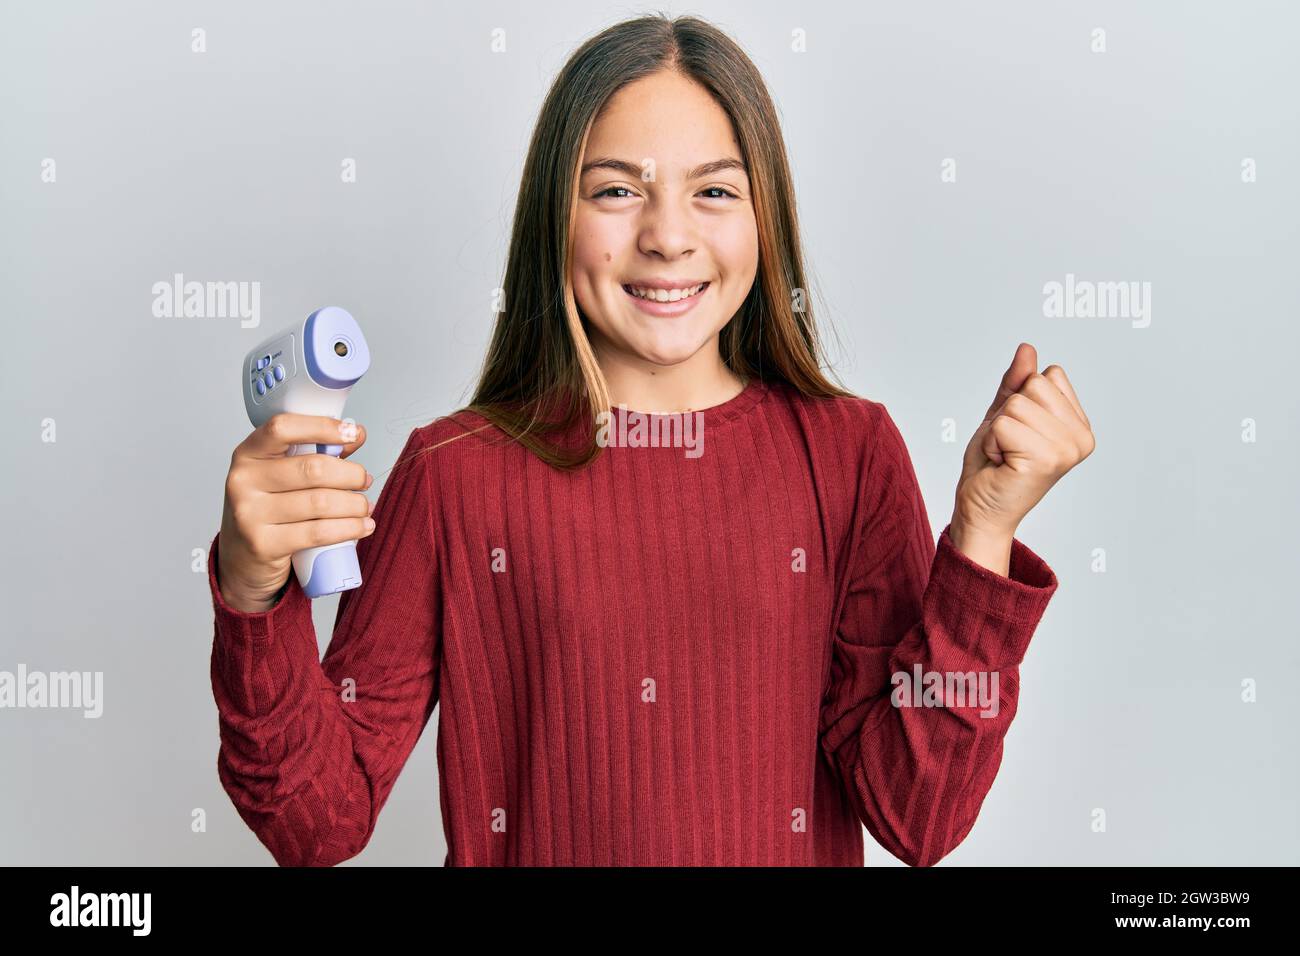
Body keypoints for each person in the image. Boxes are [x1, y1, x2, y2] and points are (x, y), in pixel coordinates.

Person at [208, 13, 1095, 867]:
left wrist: (982, 535)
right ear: (555, 213)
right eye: (616, 190)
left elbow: (919, 818)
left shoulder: (851, 454)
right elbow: (315, 824)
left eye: (714, 191)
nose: (668, 237)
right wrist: (254, 597)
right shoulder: (454, 473)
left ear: (764, 220)